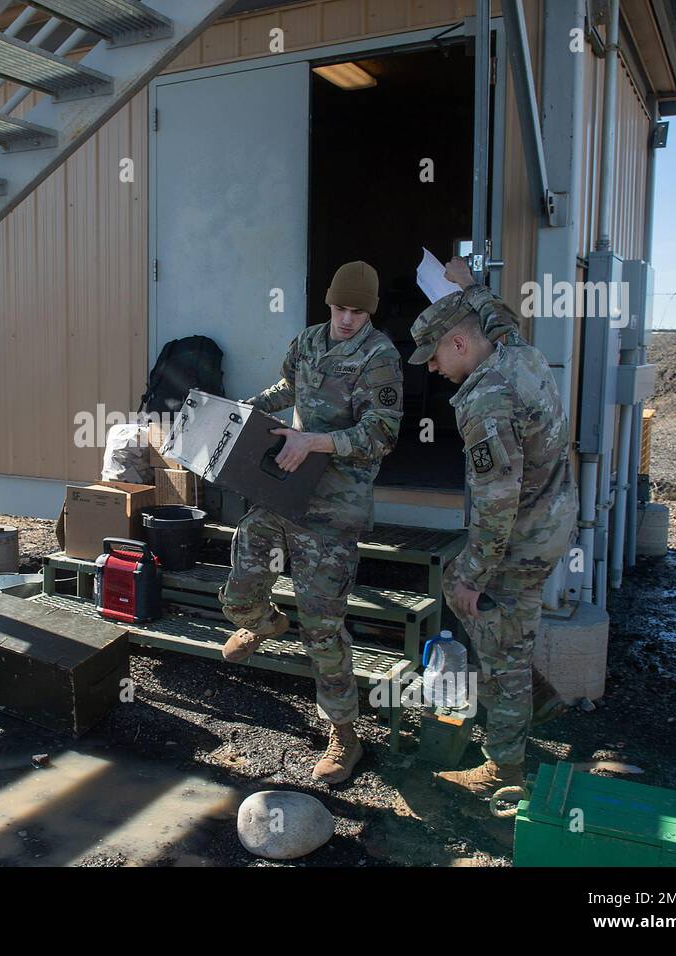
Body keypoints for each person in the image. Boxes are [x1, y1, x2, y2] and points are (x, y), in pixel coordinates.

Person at [219, 261, 404, 785]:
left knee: (322, 628)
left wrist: (313, 441)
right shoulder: (308, 341)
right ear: (328, 303)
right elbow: (287, 385)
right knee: (237, 596)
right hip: (284, 491)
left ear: (369, 311)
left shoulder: (379, 356)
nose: (346, 319)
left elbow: (381, 434)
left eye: (357, 311)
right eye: (339, 308)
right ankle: (265, 626)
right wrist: (244, 409)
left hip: (334, 510)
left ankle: (345, 736)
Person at [408, 256, 578, 800]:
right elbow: (500, 317)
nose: (431, 369)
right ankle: (532, 691)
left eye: (433, 357)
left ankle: (505, 768)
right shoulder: (517, 352)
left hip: (521, 537)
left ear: (458, 344)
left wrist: (474, 577)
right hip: (551, 518)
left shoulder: (485, 400)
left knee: (496, 640)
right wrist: (472, 286)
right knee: (504, 630)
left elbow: (495, 504)